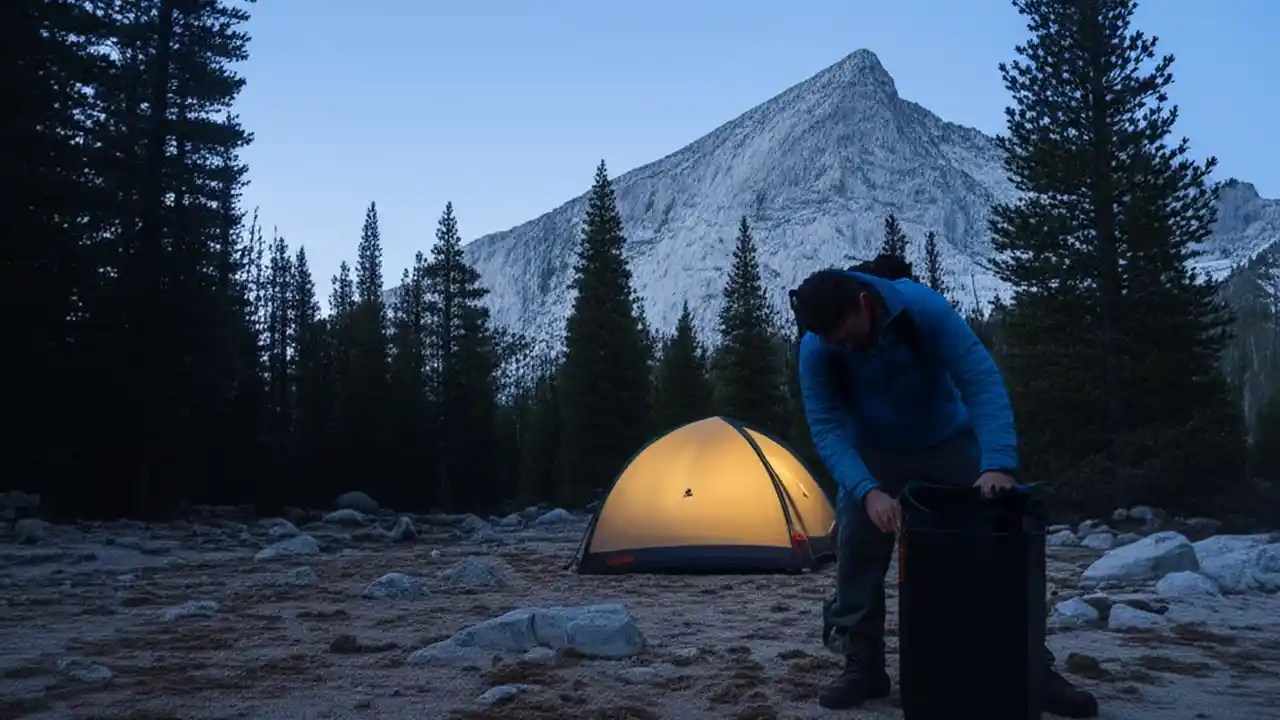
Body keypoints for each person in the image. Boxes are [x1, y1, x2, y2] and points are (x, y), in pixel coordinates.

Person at [789, 258, 1099, 718]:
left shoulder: (922, 309)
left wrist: (997, 463)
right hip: (872, 451)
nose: (845, 347)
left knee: (997, 545)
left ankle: (1031, 666)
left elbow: (980, 379)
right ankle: (864, 665)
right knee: (856, 548)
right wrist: (867, 491)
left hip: (946, 443)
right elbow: (827, 427)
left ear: (863, 302)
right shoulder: (817, 347)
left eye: (846, 334)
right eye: (833, 341)